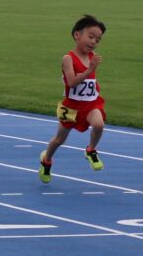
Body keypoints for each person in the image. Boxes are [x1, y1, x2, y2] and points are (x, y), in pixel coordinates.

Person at [39, 14, 107, 183]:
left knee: (99, 124)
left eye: (97, 40)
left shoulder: (92, 57)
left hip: (91, 103)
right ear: (77, 35)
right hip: (71, 106)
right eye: (90, 37)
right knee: (59, 139)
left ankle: (91, 150)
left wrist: (91, 71)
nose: (93, 42)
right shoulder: (68, 58)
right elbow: (71, 82)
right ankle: (47, 159)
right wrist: (89, 70)